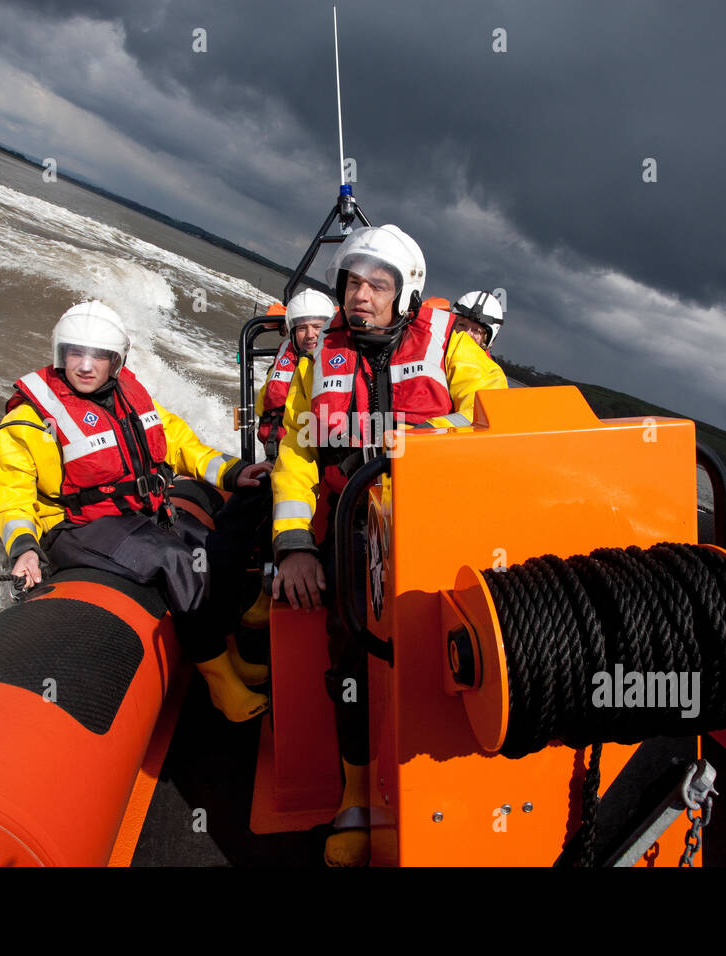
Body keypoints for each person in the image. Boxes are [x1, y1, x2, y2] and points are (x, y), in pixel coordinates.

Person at [268, 226, 507, 865]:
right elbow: (296, 451)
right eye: (352, 282)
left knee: (444, 655)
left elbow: (493, 411)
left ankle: (450, 784)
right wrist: (293, 543)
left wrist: (412, 436)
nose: (361, 296)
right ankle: (355, 798)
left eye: (378, 284)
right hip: (351, 527)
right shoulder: (320, 359)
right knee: (348, 658)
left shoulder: (450, 342)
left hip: (434, 523)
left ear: (406, 294)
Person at [0, 300, 273, 722]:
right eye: (75, 353)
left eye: (98, 356)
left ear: (115, 362)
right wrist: (24, 548)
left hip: (134, 516)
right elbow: (10, 497)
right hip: (74, 528)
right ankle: (221, 685)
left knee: (206, 549)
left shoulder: (131, 400)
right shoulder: (28, 423)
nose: (85, 366)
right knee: (175, 558)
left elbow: (177, 444)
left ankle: (227, 651)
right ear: (59, 354)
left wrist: (233, 473)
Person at [256, 289, 337, 462]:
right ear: (292, 332)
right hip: (279, 454)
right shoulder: (286, 357)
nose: (310, 335)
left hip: (324, 458)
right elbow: (261, 407)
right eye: (302, 328)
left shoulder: (342, 363)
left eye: (317, 327)